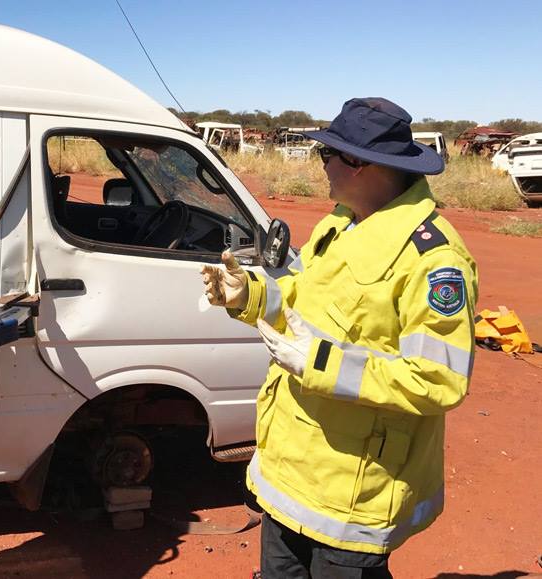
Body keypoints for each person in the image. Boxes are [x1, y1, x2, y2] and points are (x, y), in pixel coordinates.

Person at [201, 98, 478, 578]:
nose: (322, 164)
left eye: (327, 155)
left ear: (363, 166)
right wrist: (248, 294)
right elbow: (302, 302)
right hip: (291, 469)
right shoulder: (341, 222)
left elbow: (439, 379)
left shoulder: (434, 261)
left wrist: (321, 363)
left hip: (352, 492)